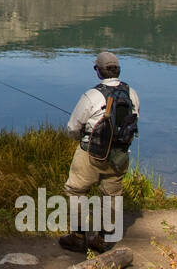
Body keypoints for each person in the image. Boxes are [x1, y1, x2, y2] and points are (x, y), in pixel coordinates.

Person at [59, 51, 139, 253]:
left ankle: (78, 236)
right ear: (118, 70)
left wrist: (81, 138)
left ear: (98, 72)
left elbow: (72, 129)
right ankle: (103, 239)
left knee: (77, 190)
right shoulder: (132, 94)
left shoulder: (91, 95)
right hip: (120, 155)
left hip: (91, 152)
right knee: (112, 195)